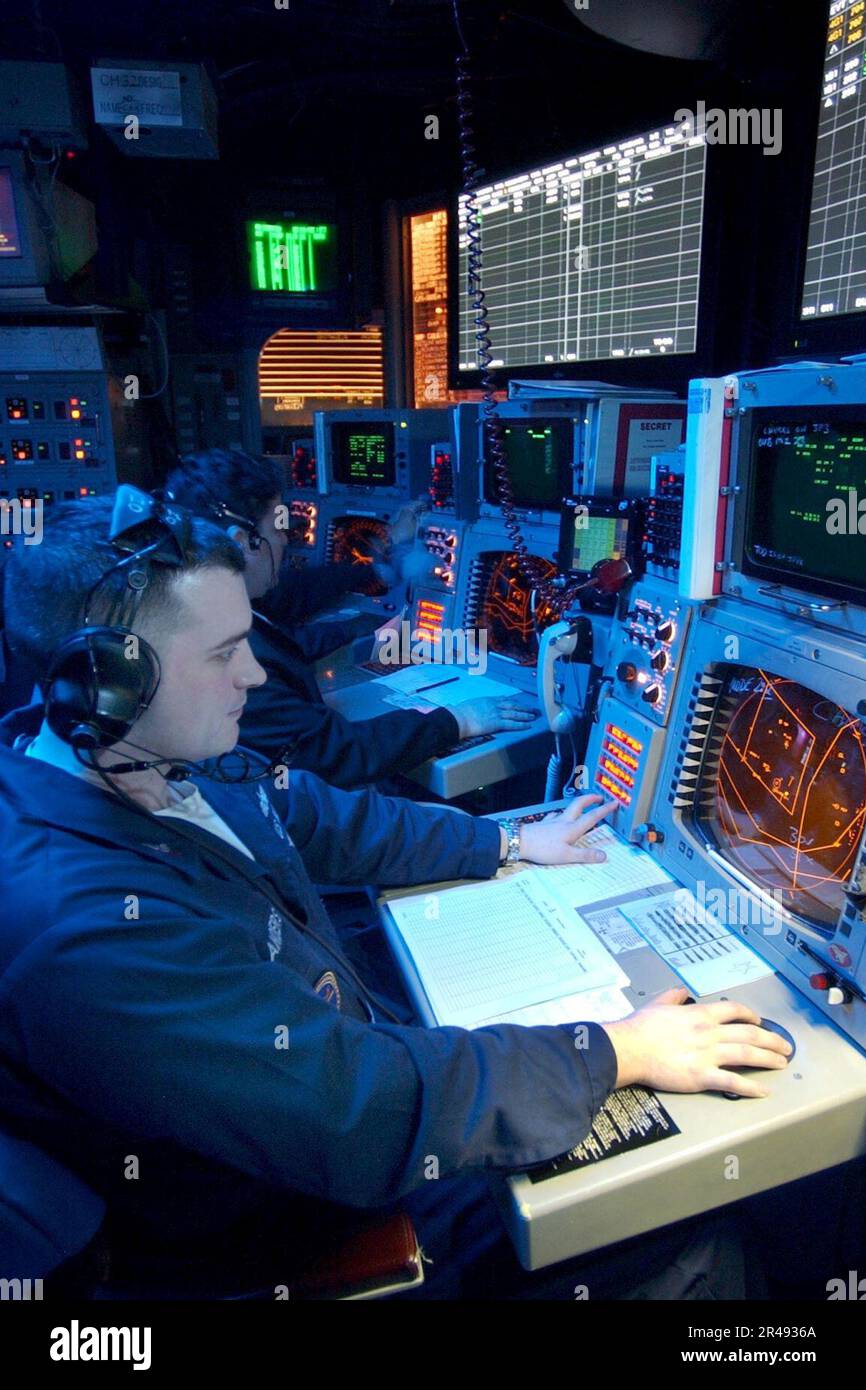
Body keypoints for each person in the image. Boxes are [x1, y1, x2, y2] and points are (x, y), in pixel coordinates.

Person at [0, 495, 792, 1300]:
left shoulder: (126, 756)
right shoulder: (86, 932)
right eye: (224, 653)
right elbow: (359, 1107)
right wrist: (621, 1050)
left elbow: (308, 813)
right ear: (106, 683)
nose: (258, 673)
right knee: (688, 1222)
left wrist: (508, 842)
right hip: (294, 1224)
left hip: (324, 1102)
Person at [163, 448, 539, 789]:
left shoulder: (200, 606)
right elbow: (336, 754)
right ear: (243, 542)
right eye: (278, 528)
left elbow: (290, 611)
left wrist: (370, 631)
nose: (286, 541)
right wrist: (459, 720)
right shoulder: (228, 652)